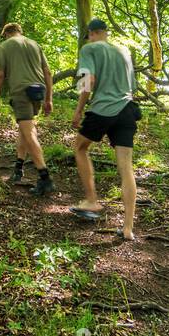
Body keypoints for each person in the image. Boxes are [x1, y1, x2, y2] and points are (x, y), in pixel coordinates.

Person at [69, 18, 142, 239]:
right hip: (127, 109)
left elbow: (88, 79)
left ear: (92, 33)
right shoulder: (124, 52)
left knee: (80, 147)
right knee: (126, 167)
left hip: (103, 109)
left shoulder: (89, 48)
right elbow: (132, 86)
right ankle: (128, 228)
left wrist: (79, 109)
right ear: (106, 32)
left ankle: (92, 201)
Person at [0, 22, 54, 196]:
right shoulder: (35, 44)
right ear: (20, 32)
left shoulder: (5, 46)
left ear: (7, 34)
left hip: (21, 91)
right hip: (38, 91)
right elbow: (47, 72)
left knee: (28, 133)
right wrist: (48, 98)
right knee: (24, 130)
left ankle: (45, 178)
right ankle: (18, 169)